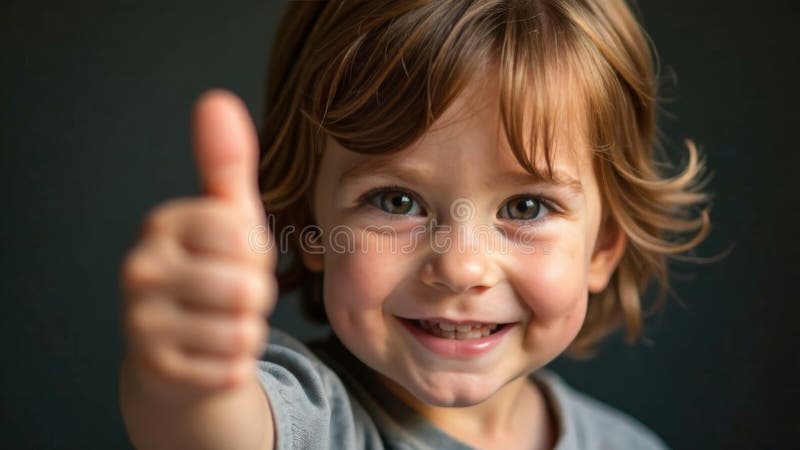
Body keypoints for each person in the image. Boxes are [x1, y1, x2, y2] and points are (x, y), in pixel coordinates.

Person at [118, 1, 712, 449]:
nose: (460, 267)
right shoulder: (313, 418)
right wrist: (188, 379)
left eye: (525, 207)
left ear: (603, 247)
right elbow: (205, 428)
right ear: (311, 222)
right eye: (397, 201)